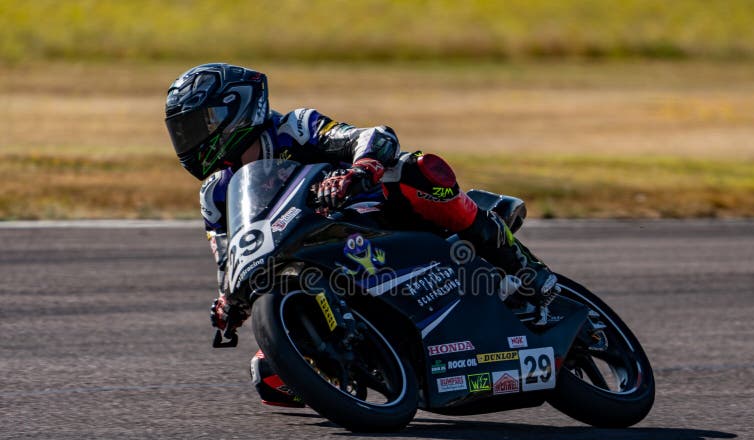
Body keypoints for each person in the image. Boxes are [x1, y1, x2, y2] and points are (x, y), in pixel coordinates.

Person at [164, 63, 558, 408]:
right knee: (270, 377)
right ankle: (372, 358)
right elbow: (227, 254)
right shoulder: (215, 193)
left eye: (198, 125)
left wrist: (359, 170)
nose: (189, 139)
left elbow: (371, 136)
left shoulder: (295, 127)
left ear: (236, 109)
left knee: (418, 168)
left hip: (373, 217)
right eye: (181, 131)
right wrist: (227, 300)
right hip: (312, 258)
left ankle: (524, 271)